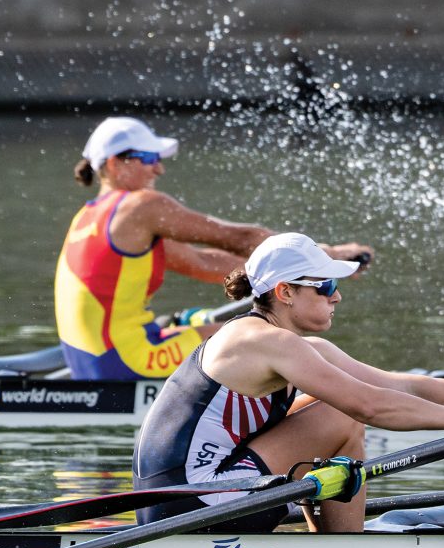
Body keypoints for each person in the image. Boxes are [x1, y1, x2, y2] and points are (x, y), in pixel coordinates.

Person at [132, 232, 444, 533]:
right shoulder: (265, 342)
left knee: (340, 411)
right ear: (284, 292)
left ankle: (339, 545)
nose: (337, 296)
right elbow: (371, 406)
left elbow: (399, 387)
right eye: (326, 286)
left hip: (190, 497)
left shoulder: (286, 343)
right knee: (341, 413)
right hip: (194, 505)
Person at [56, 116, 374, 381]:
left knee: (220, 328)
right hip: (128, 360)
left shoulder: (89, 218)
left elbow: (202, 262)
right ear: (114, 164)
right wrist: (326, 256)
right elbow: (236, 238)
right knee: (260, 342)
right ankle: (356, 391)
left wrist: (286, 274)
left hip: (91, 362)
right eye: (150, 159)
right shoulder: (140, 206)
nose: (159, 169)